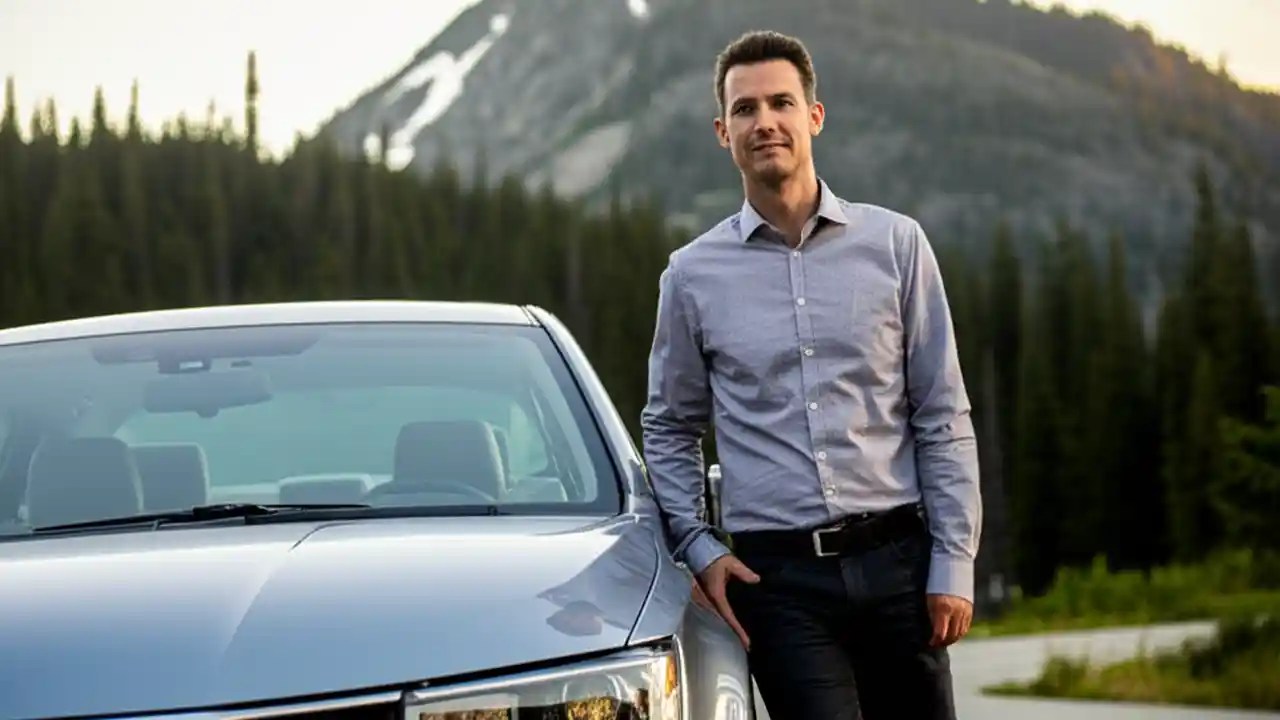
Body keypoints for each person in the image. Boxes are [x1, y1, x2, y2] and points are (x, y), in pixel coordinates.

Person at [640, 30, 982, 720]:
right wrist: (700, 547)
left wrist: (953, 562)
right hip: (780, 582)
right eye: (745, 109)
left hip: (898, 565)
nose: (764, 121)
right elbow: (670, 426)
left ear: (813, 116)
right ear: (722, 131)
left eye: (780, 102)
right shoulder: (691, 276)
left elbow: (941, 413)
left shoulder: (896, 245)